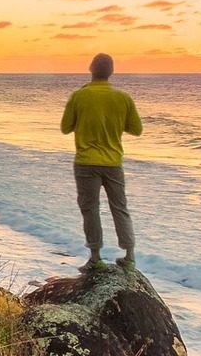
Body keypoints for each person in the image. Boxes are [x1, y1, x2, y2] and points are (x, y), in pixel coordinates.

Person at [60, 52, 141, 269]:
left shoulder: (79, 96)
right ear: (111, 72)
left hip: (86, 162)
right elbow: (136, 129)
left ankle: (96, 257)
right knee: (120, 207)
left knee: (90, 208)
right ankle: (130, 255)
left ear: (90, 69)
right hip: (113, 161)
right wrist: (113, 123)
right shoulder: (122, 98)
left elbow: (65, 127)